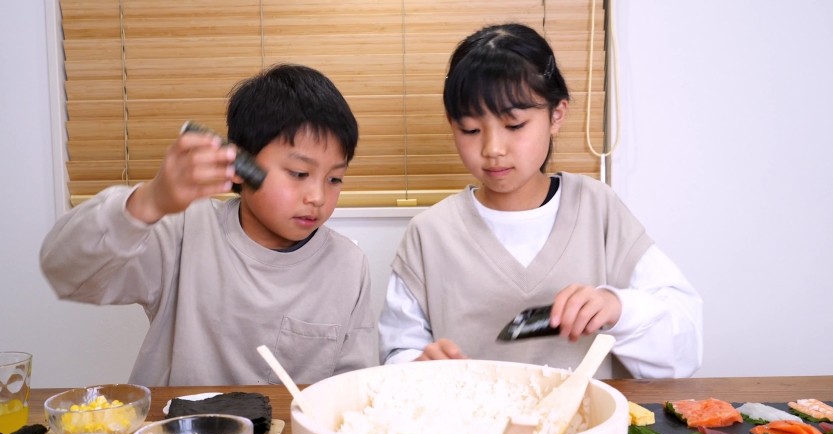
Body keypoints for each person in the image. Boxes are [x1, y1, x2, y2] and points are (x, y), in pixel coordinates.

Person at [378, 24, 702, 379]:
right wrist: (416, 367)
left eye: (515, 125)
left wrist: (617, 307)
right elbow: (397, 354)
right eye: (470, 130)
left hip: (583, 413)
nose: (492, 149)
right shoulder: (429, 233)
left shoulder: (598, 209)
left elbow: (684, 346)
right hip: (466, 415)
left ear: (556, 115)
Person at [41, 64, 376, 386]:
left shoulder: (347, 265)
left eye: (335, 178)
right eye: (299, 173)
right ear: (240, 164)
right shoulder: (183, 231)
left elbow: (354, 386)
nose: (317, 196)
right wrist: (150, 201)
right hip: (175, 424)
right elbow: (64, 271)